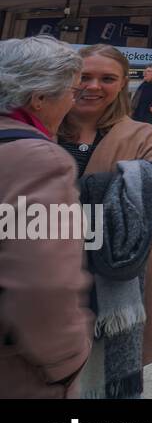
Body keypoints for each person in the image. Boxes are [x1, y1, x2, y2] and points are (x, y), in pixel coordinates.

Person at [58, 44, 152, 397]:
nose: (93, 86)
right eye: (84, 76)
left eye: (107, 79)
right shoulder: (43, 129)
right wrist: (109, 193)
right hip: (48, 281)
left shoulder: (143, 135)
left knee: (111, 384)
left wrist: (66, 201)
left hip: (116, 285)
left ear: (123, 83)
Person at [0, 36, 93, 397]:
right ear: (39, 98)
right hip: (16, 368)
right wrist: (65, 361)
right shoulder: (37, 160)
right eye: (72, 91)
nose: (74, 100)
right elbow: (42, 282)